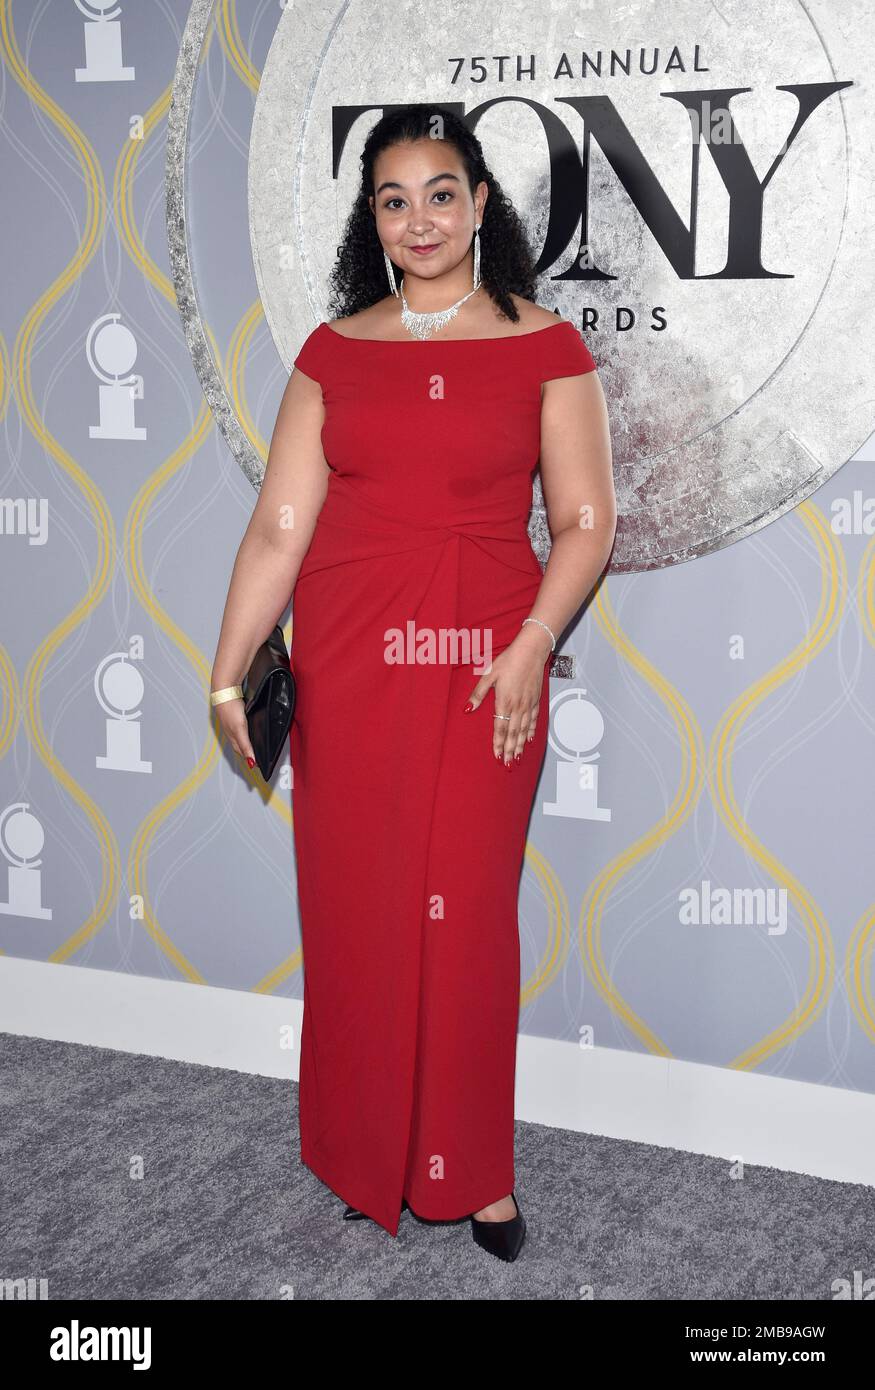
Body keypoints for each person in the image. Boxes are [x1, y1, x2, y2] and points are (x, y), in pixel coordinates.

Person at [211, 105, 616, 1263]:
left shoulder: (546, 346)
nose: (420, 218)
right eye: (393, 200)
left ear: (480, 202)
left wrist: (534, 643)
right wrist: (225, 678)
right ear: (373, 222)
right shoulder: (333, 354)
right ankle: (366, 1152)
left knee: (467, 915)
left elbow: (585, 522)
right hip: (348, 656)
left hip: (488, 655)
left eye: (441, 192)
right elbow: (279, 529)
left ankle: (472, 1170)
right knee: (358, 912)